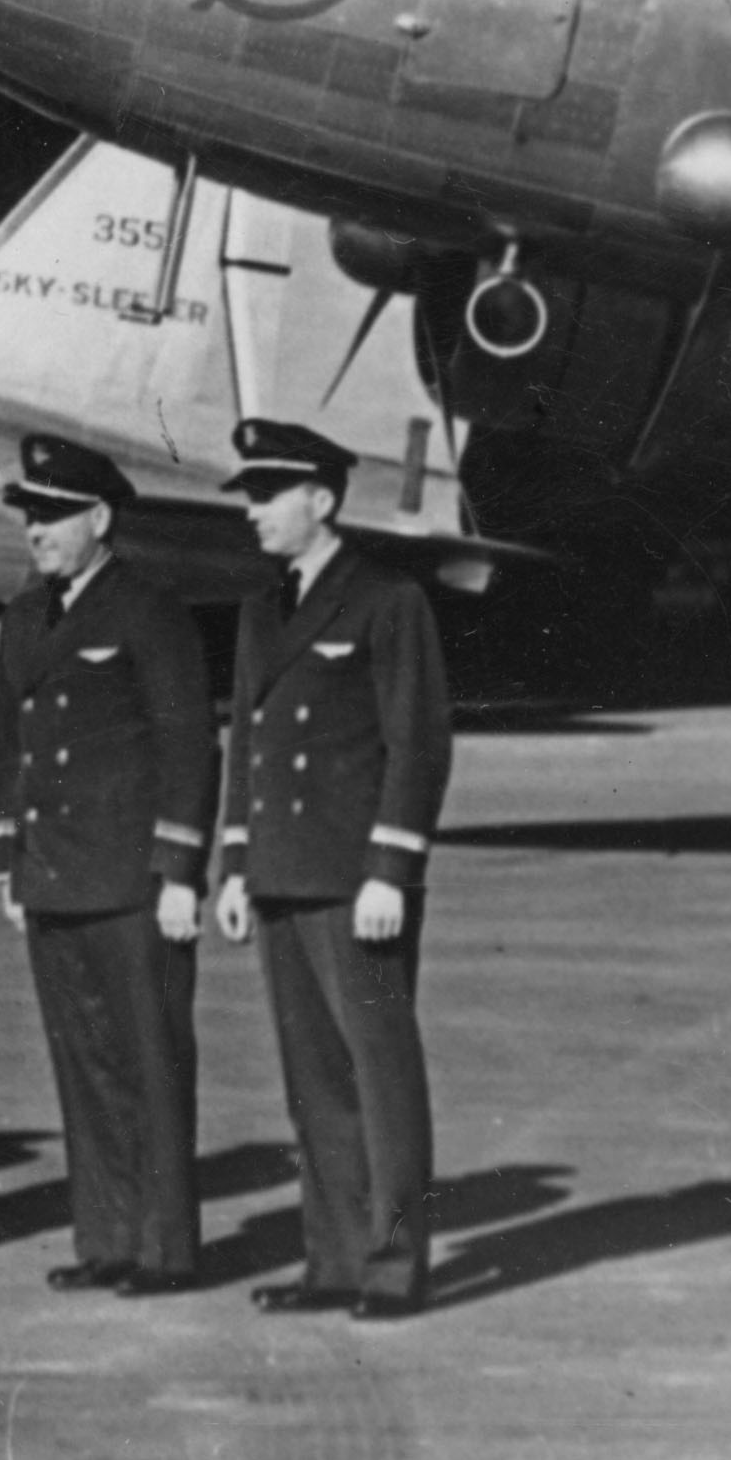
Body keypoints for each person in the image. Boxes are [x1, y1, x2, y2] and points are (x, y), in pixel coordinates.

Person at [212, 418, 451, 1322]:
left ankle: (393, 1267)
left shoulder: (388, 601)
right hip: (280, 873)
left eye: (270, 494)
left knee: (381, 1079)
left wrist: (392, 867)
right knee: (314, 1083)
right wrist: (234, 865)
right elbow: (248, 746)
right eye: (250, 495)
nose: (255, 513)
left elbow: (415, 743)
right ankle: (335, 1262)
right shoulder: (260, 610)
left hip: (357, 882)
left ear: (322, 498)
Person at [0, 434, 219, 1297]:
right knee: (83, 1065)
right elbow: (13, 742)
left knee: (150, 1064)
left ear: (100, 518)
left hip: (131, 884)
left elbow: (189, 744)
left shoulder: (147, 610)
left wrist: (180, 872)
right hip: (54, 878)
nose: (35, 531)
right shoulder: (23, 616)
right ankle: (106, 1239)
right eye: (28, 515)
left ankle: (165, 1249)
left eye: (51, 514)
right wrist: (9, 857)